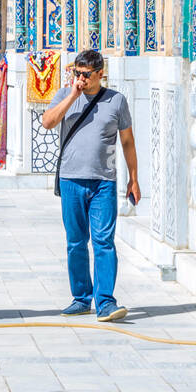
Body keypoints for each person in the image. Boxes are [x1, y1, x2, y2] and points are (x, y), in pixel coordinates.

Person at [40, 48, 140, 322]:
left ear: (100, 74)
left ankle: (105, 301)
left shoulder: (116, 101)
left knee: (103, 241)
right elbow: (48, 122)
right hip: (71, 179)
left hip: (103, 182)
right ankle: (81, 298)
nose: (80, 78)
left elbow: (128, 142)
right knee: (76, 242)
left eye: (86, 74)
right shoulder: (65, 95)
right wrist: (73, 94)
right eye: (76, 73)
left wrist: (133, 178)